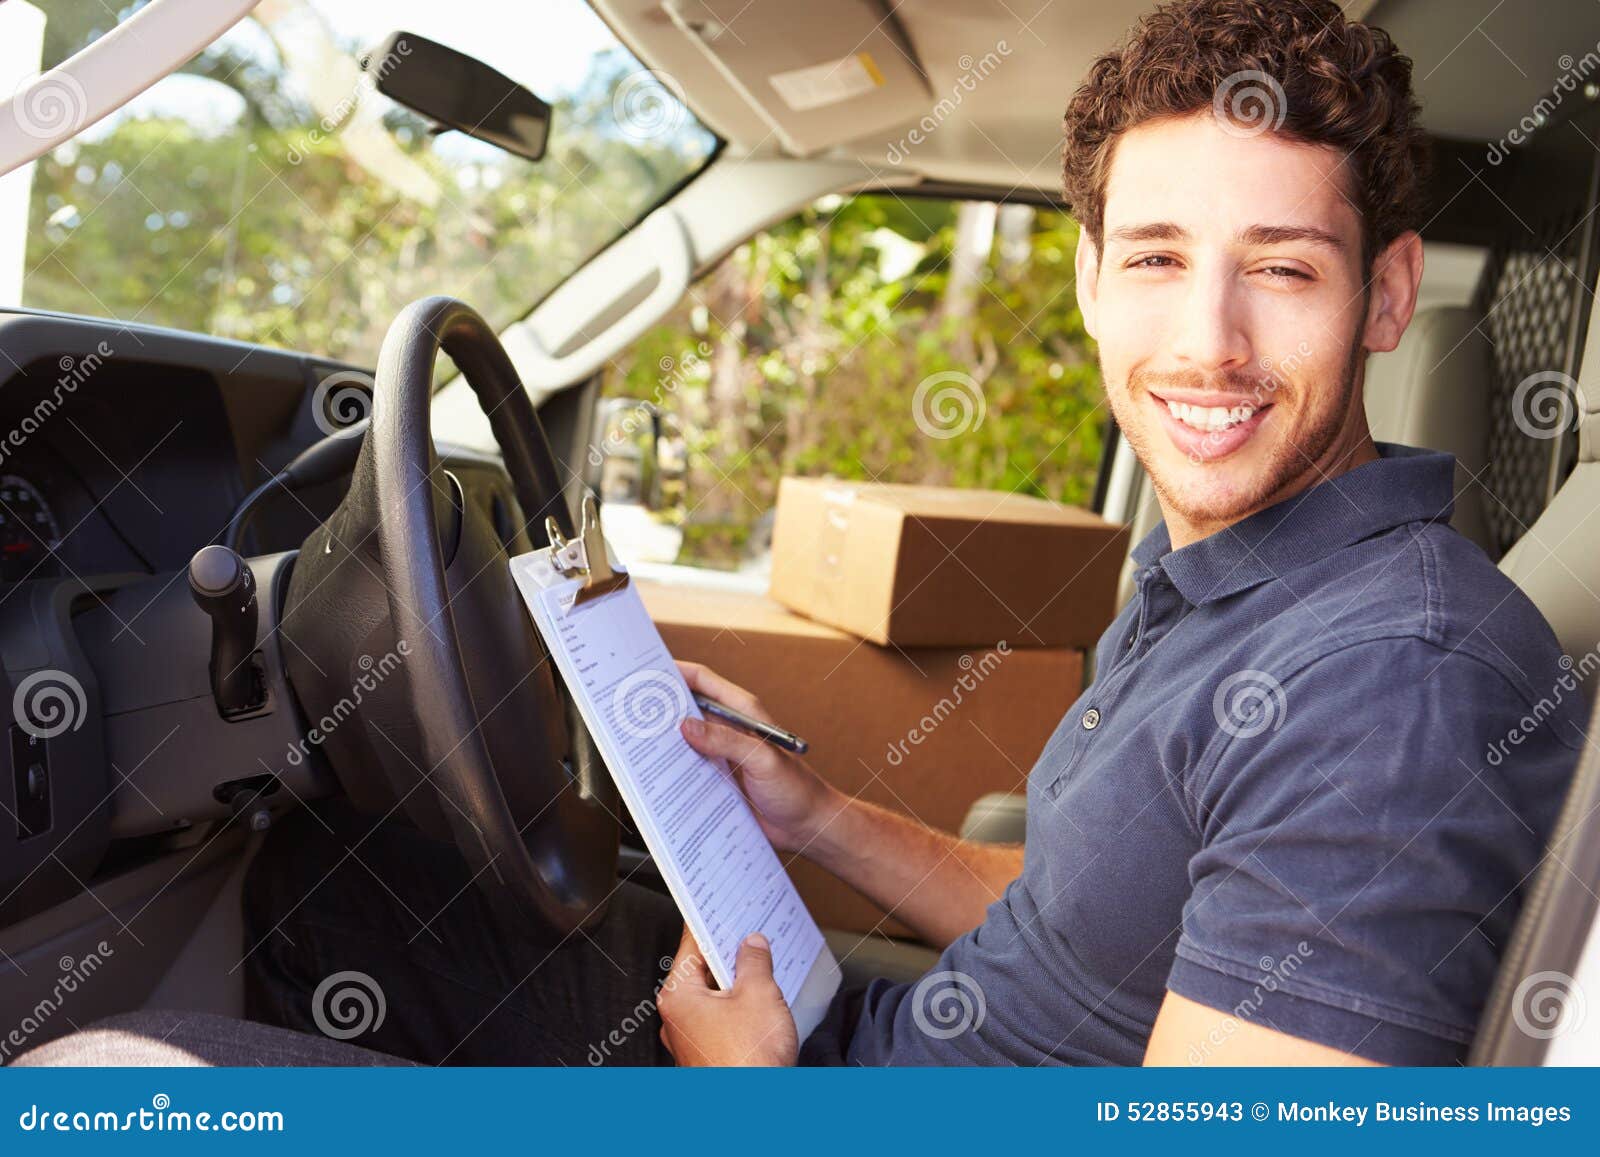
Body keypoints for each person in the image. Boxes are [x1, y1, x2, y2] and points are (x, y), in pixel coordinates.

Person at [244, 0, 1586, 1066]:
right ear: (1092, 276)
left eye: (1283, 269)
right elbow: (1079, 919)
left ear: (1388, 293)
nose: (1207, 344)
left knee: (244, 978)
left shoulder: (1391, 682)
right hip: (864, 1044)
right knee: (349, 877)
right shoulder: (1219, 575)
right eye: (1158, 257)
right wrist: (816, 818)